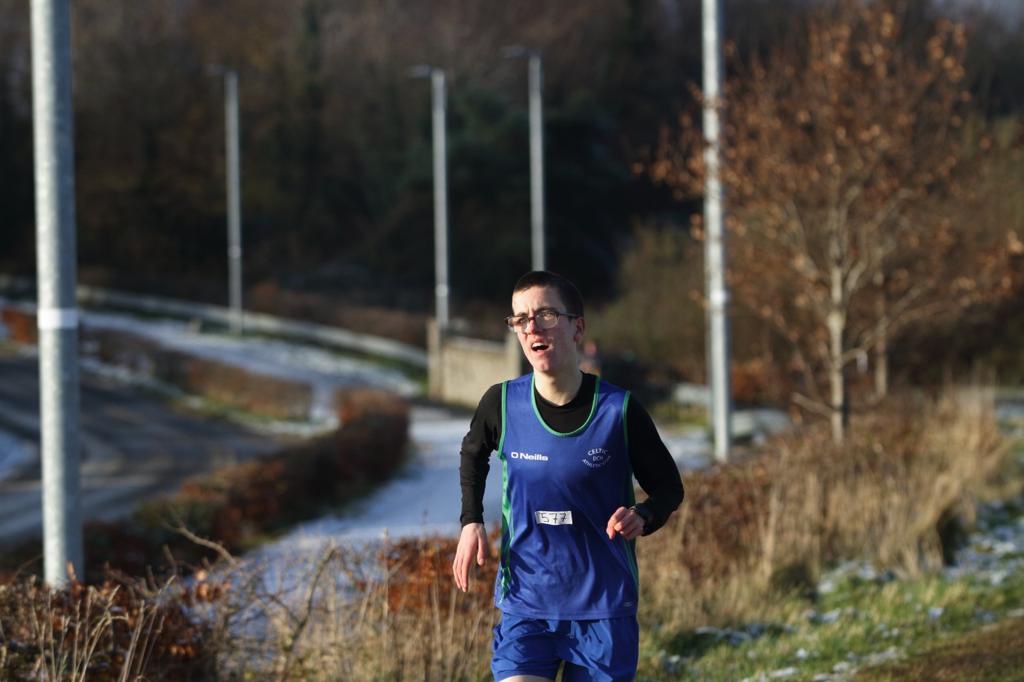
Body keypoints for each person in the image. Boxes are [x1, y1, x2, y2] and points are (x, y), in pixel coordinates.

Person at [452, 270, 684, 682]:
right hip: (526, 603)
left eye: (545, 315)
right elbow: (473, 454)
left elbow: (668, 487)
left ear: (577, 328)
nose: (531, 328)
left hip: (603, 609)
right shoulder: (501, 403)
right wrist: (471, 521)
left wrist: (643, 515)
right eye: (520, 319)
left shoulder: (619, 411)